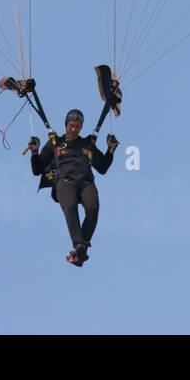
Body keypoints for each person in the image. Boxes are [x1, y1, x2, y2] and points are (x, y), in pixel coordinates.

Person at [27, 109, 118, 266]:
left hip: (86, 182)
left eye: (77, 126)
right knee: (69, 205)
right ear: (66, 125)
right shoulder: (55, 143)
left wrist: (110, 150)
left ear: (81, 127)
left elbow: (102, 167)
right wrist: (35, 152)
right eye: (71, 125)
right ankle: (78, 244)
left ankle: (82, 248)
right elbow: (37, 170)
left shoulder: (87, 144)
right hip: (65, 182)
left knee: (93, 208)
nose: (74, 129)